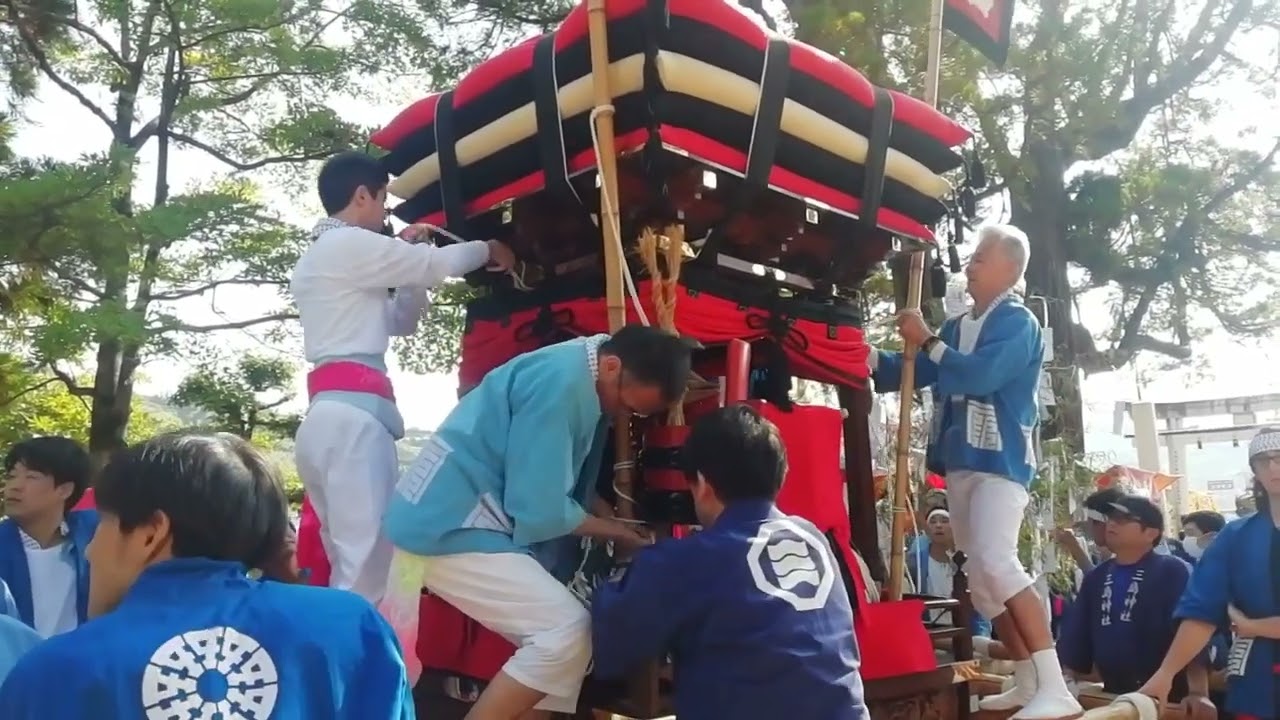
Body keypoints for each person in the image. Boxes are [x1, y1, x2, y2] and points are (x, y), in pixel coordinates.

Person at [381, 326, 695, 719]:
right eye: (626, 405)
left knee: (563, 650)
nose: (621, 414)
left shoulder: (582, 365)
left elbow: (551, 475)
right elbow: (540, 507)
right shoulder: (562, 385)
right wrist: (617, 530)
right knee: (567, 632)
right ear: (613, 366)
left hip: (452, 516)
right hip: (450, 524)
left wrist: (605, 516)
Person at [0, 432, 414, 719]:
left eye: (104, 524)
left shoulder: (55, 670)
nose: (90, 548)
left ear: (151, 532)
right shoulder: (351, 627)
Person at [870, 224, 1079, 719]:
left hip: (1002, 460)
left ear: (1010, 267)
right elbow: (919, 369)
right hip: (961, 460)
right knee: (982, 580)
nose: (970, 264)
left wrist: (927, 341)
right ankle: (1029, 681)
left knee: (997, 560)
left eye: (981, 257)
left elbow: (981, 373)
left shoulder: (1019, 322)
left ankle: (1057, 687)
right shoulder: (960, 325)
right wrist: (867, 355)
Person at [291, 150, 515, 603]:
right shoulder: (346, 245)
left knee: (347, 560)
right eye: (383, 203)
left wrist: (411, 259)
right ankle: (360, 669)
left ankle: (344, 663)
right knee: (367, 567)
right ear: (361, 196)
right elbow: (435, 268)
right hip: (352, 419)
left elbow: (402, 319)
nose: (385, 214)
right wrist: (488, 249)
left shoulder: (325, 256)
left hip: (330, 415)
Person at [590, 404, 869, 719]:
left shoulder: (690, 558)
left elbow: (614, 641)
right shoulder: (812, 537)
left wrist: (624, 562)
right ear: (780, 475)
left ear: (703, 485)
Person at [1139, 428, 1280, 719]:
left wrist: (1255, 626)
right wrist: (1167, 672)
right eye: (1264, 460)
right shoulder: (1236, 536)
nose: (1274, 468)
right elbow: (1201, 609)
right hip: (1258, 679)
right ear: (1254, 470)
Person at [1057, 495, 1210, 704]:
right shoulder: (1096, 577)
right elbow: (1077, 635)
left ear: (1151, 533)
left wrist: (1198, 693)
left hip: (1171, 696)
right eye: (1110, 518)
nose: (1111, 523)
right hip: (1115, 693)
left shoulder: (1173, 570)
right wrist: (1068, 679)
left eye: (1123, 519)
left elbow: (1193, 627)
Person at [0, 436, 97, 636]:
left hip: (76, 661)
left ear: (65, 490)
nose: (14, 486)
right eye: (11, 476)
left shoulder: (93, 536)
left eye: (31, 477)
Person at [907, 508, 992, 640]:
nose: (938, 526)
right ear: (927, 529)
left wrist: (981, 634)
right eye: (933, 522)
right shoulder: (915, 562)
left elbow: (981, 605)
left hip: (966, 634)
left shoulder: (967, 560)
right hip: (932, 633)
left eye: (945, 521)